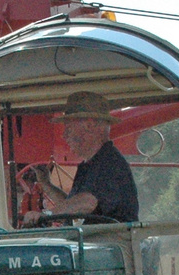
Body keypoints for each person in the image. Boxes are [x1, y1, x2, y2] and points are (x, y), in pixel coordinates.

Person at [20, 91, 139, 226]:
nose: (64, 136)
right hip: (99, 241)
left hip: (110, 241)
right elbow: (72, 207)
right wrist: (47, 185)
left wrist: (47, 215)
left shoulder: (109, 163)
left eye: (68, 128)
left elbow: (87, 202)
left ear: (89, 125)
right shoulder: (92, 164)